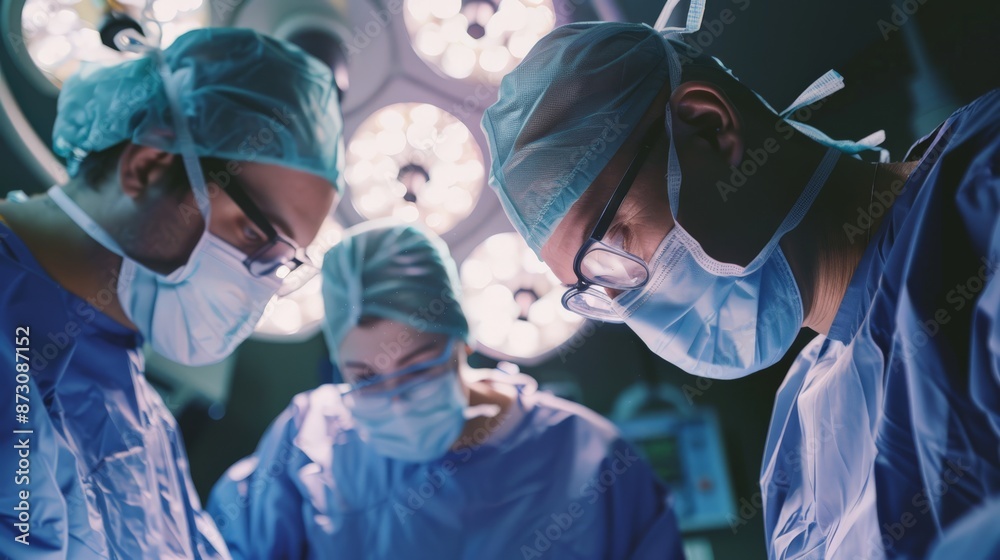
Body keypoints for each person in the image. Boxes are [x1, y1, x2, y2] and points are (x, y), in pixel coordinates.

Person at [480, 7, 1000, 560]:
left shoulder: (983, 197)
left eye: (612, 251)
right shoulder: (804, 439)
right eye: (594, 289)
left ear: (708, 128)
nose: (626, 301)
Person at [0, 27, 344, 558]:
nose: (264, 284)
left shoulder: (142, 411)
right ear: (148, 167)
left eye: (283, 264)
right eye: (257, 237)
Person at [206, 222, 684, 560]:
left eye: (416, 366)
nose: (395, 397)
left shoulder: (590, 458)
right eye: (365, 378)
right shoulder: (307, 440)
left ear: (463, 338)